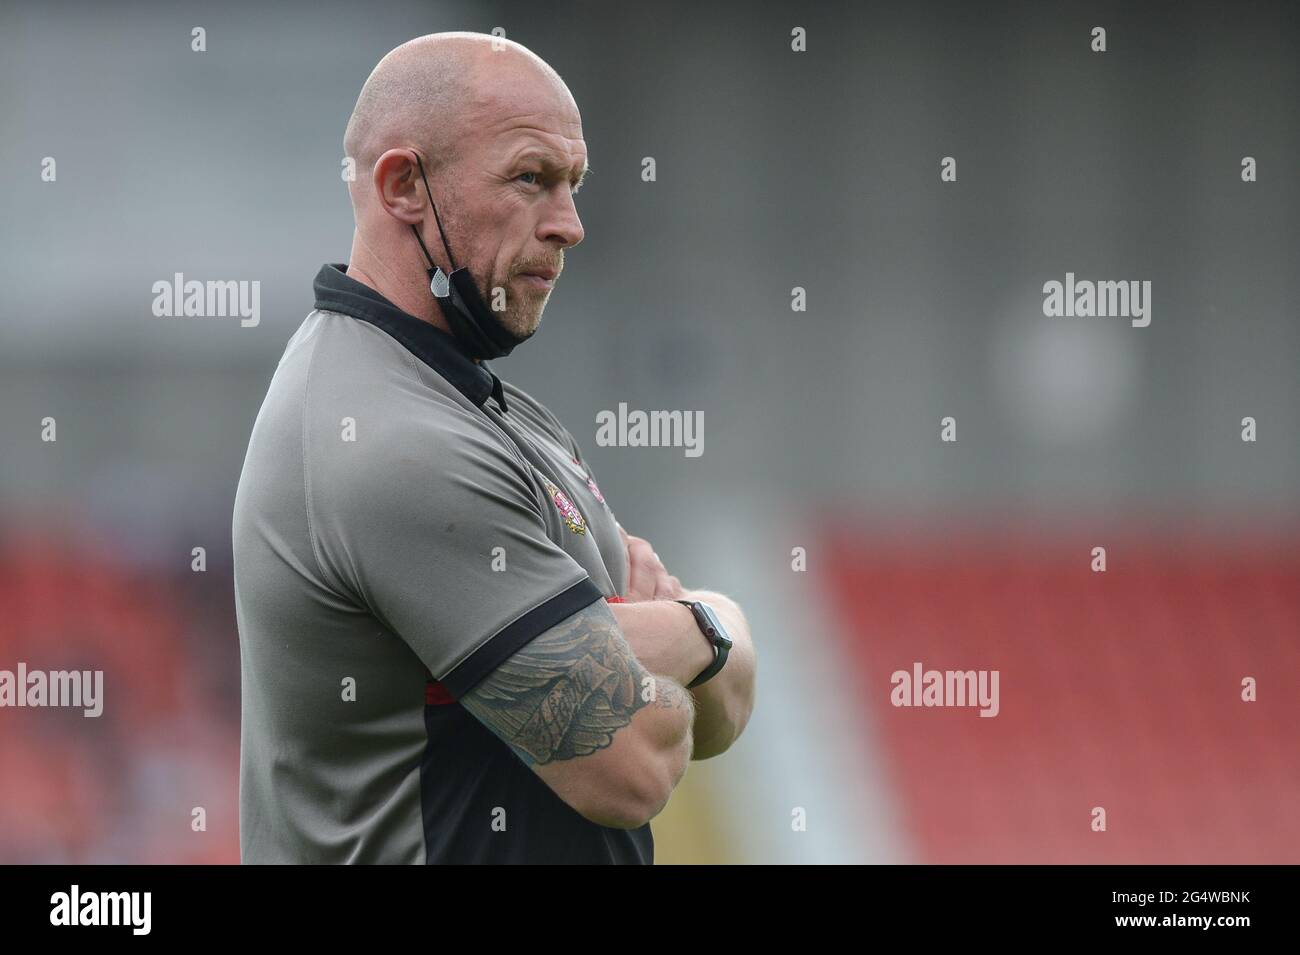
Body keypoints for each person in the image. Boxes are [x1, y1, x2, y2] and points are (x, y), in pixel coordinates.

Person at [233, 31, 755, 864]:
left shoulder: (502, 414)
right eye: (531, 179)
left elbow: (728, 716)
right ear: (404, 185)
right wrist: (712, 624)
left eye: (574, 184)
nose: (572, 226)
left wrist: (630, 643)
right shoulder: (393, 439)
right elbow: (633, 764)